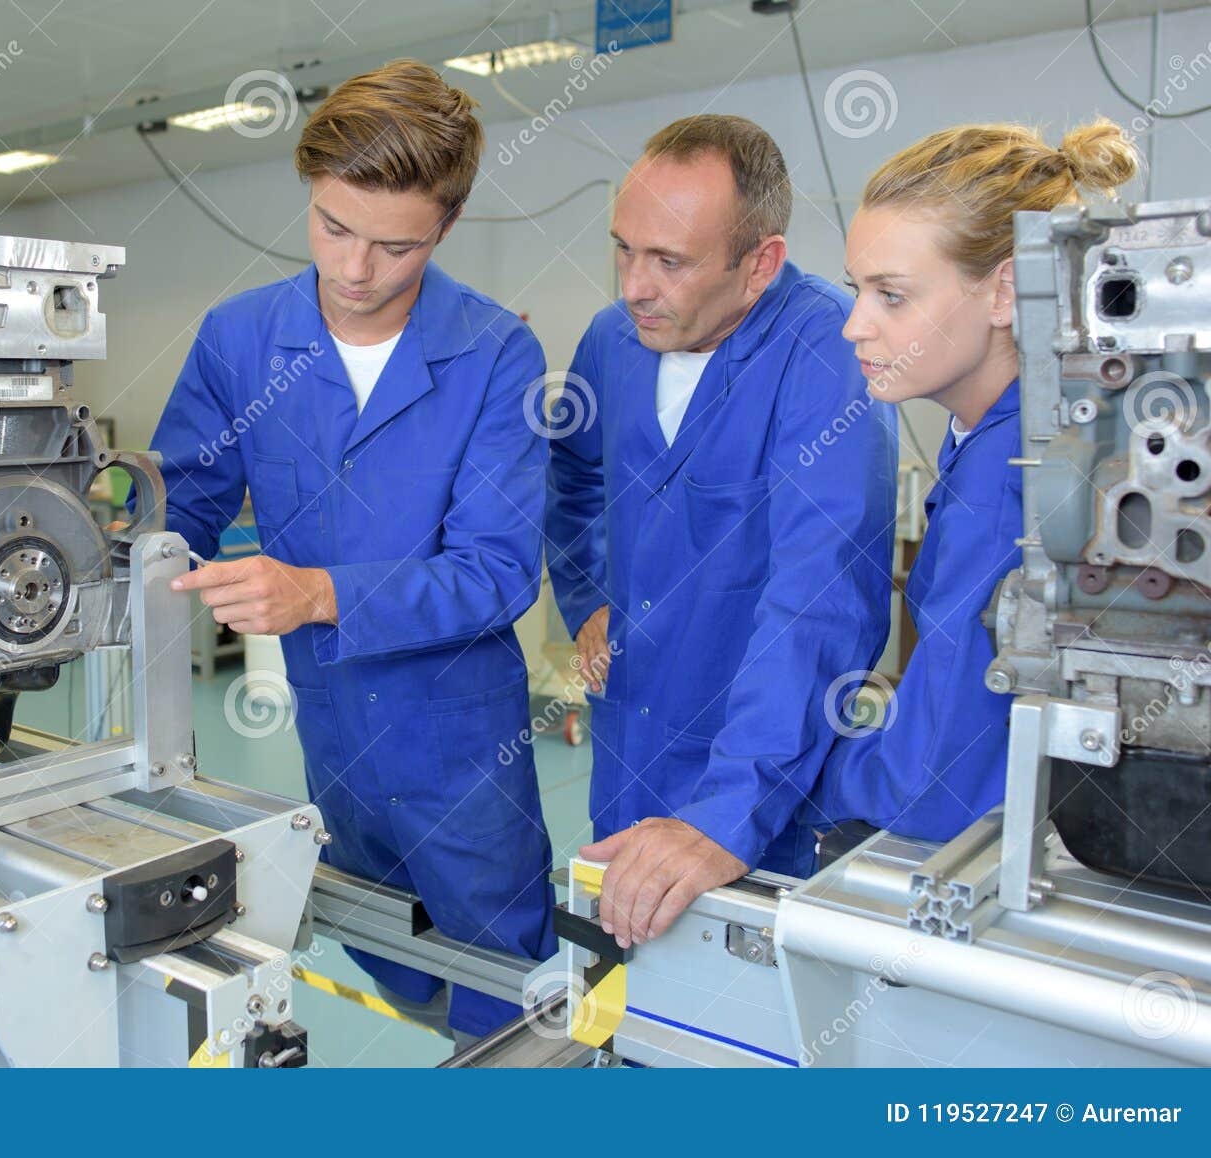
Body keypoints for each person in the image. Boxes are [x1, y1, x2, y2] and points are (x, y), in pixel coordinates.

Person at [144, 60, 554, 1041]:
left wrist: (318, 593)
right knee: (382, 948)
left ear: (446, 228)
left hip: (462, 747)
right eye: (333, 228)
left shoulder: (497, 354)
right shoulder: (240, 339)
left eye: (395, 246)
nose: (355, 270)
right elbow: (176, 510)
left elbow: (496, 573)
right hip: (332, 736)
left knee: (508, 993)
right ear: (308, 189)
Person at [545, 114, 897, 950]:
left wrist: (727, 816)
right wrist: (589, 596)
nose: (633, 284)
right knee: (629, 1004)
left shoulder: (824, 355)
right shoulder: (611, 342)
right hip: (630, 743)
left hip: (765, 769)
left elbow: (821, 600)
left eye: (668, 261)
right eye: (623, 249)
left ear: (760, 264)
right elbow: (574, 481)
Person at [802, 120, 1139, 850]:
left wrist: (795, 775)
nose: (854, 326)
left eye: (891, 296)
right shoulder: (1035, 434)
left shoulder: (1004, 483)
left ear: (1004, 292)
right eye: (856, 290)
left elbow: (932, 788)